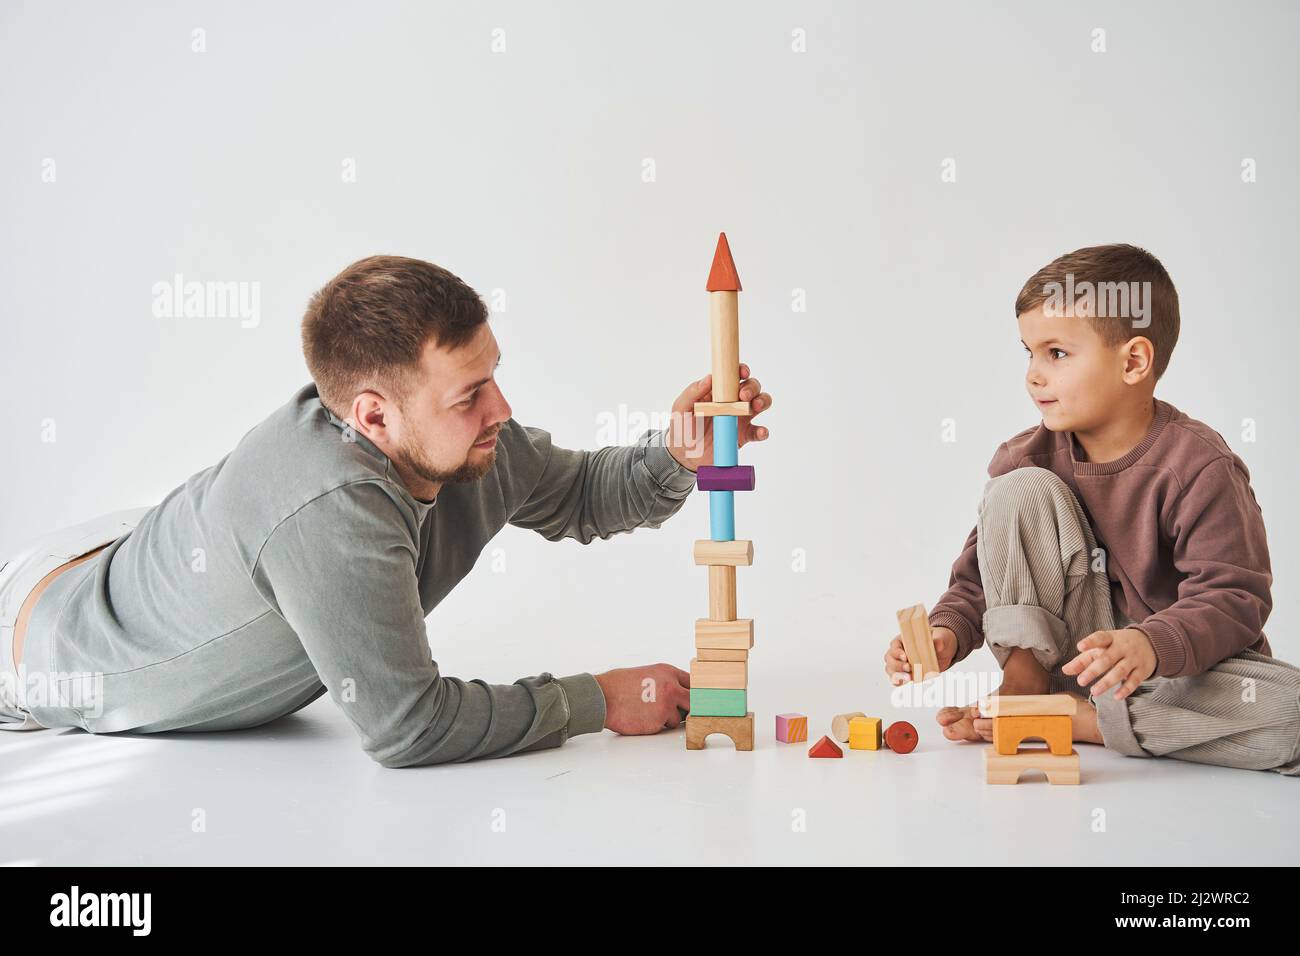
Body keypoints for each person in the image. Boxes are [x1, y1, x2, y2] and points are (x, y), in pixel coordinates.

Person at [0, 255, 774, 768]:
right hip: (45, 645)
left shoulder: (464, 441)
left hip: (134, 548)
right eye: (469, 395)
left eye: (493, 375)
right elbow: (408, 725)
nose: (501, 409)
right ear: (372, 418)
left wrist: (680, 453)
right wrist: (596, 699)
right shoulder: (334, 508)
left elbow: (582, 494)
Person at [884, 243, 1300, 774]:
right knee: (1018, 489)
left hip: (1174, 672)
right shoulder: (1025, 457)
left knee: (1290, 712)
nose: (1034, 374)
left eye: (1056, 354)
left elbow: (1234, 597)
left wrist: (1151, 644)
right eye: (1028, 352)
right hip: (1065, 656)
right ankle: (1028, 685)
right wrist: (945, 634)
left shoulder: (1198, 466)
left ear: (1133, 362)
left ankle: (1083, 719)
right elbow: (976, 584)